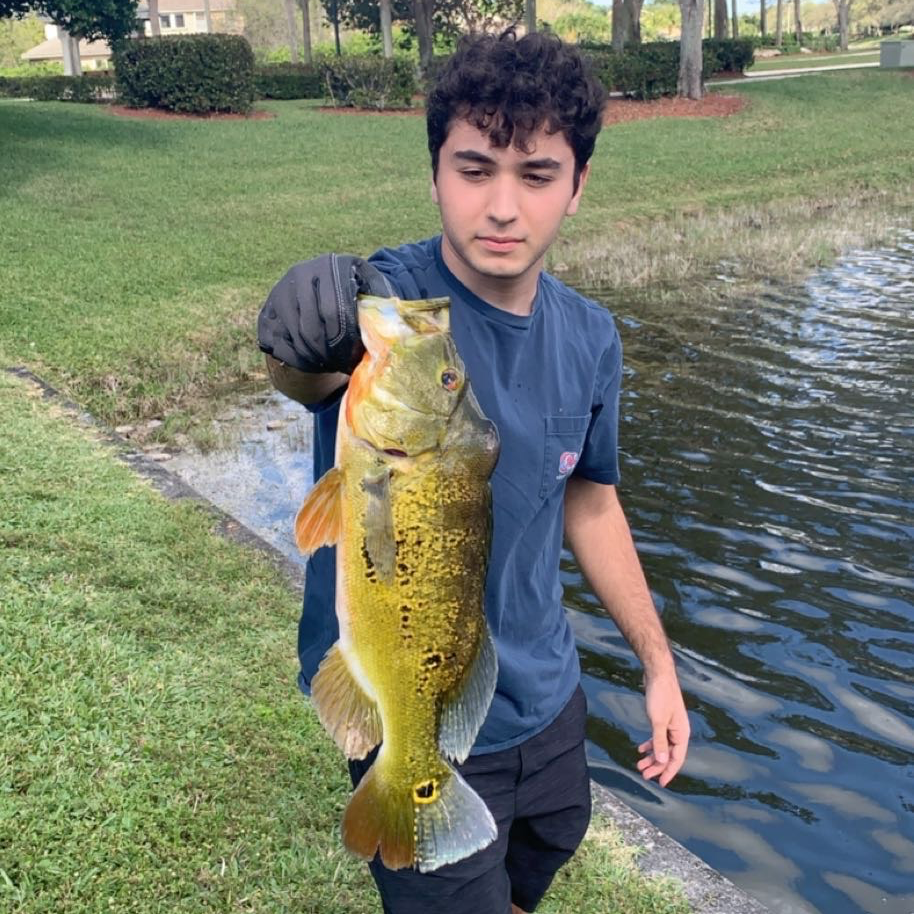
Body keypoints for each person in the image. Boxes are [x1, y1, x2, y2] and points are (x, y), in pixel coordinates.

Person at [257, 29, 690, 914]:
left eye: (535, 176)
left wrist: (657, 662)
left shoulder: (592, 336)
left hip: (550, 695)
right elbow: (311, 371)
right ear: (435, 174)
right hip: (410, 703)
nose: (501, 206)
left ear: (577, 187)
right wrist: (295, 338)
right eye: (474, 168)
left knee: (545, 856)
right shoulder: (387, 310)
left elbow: (592, 503)